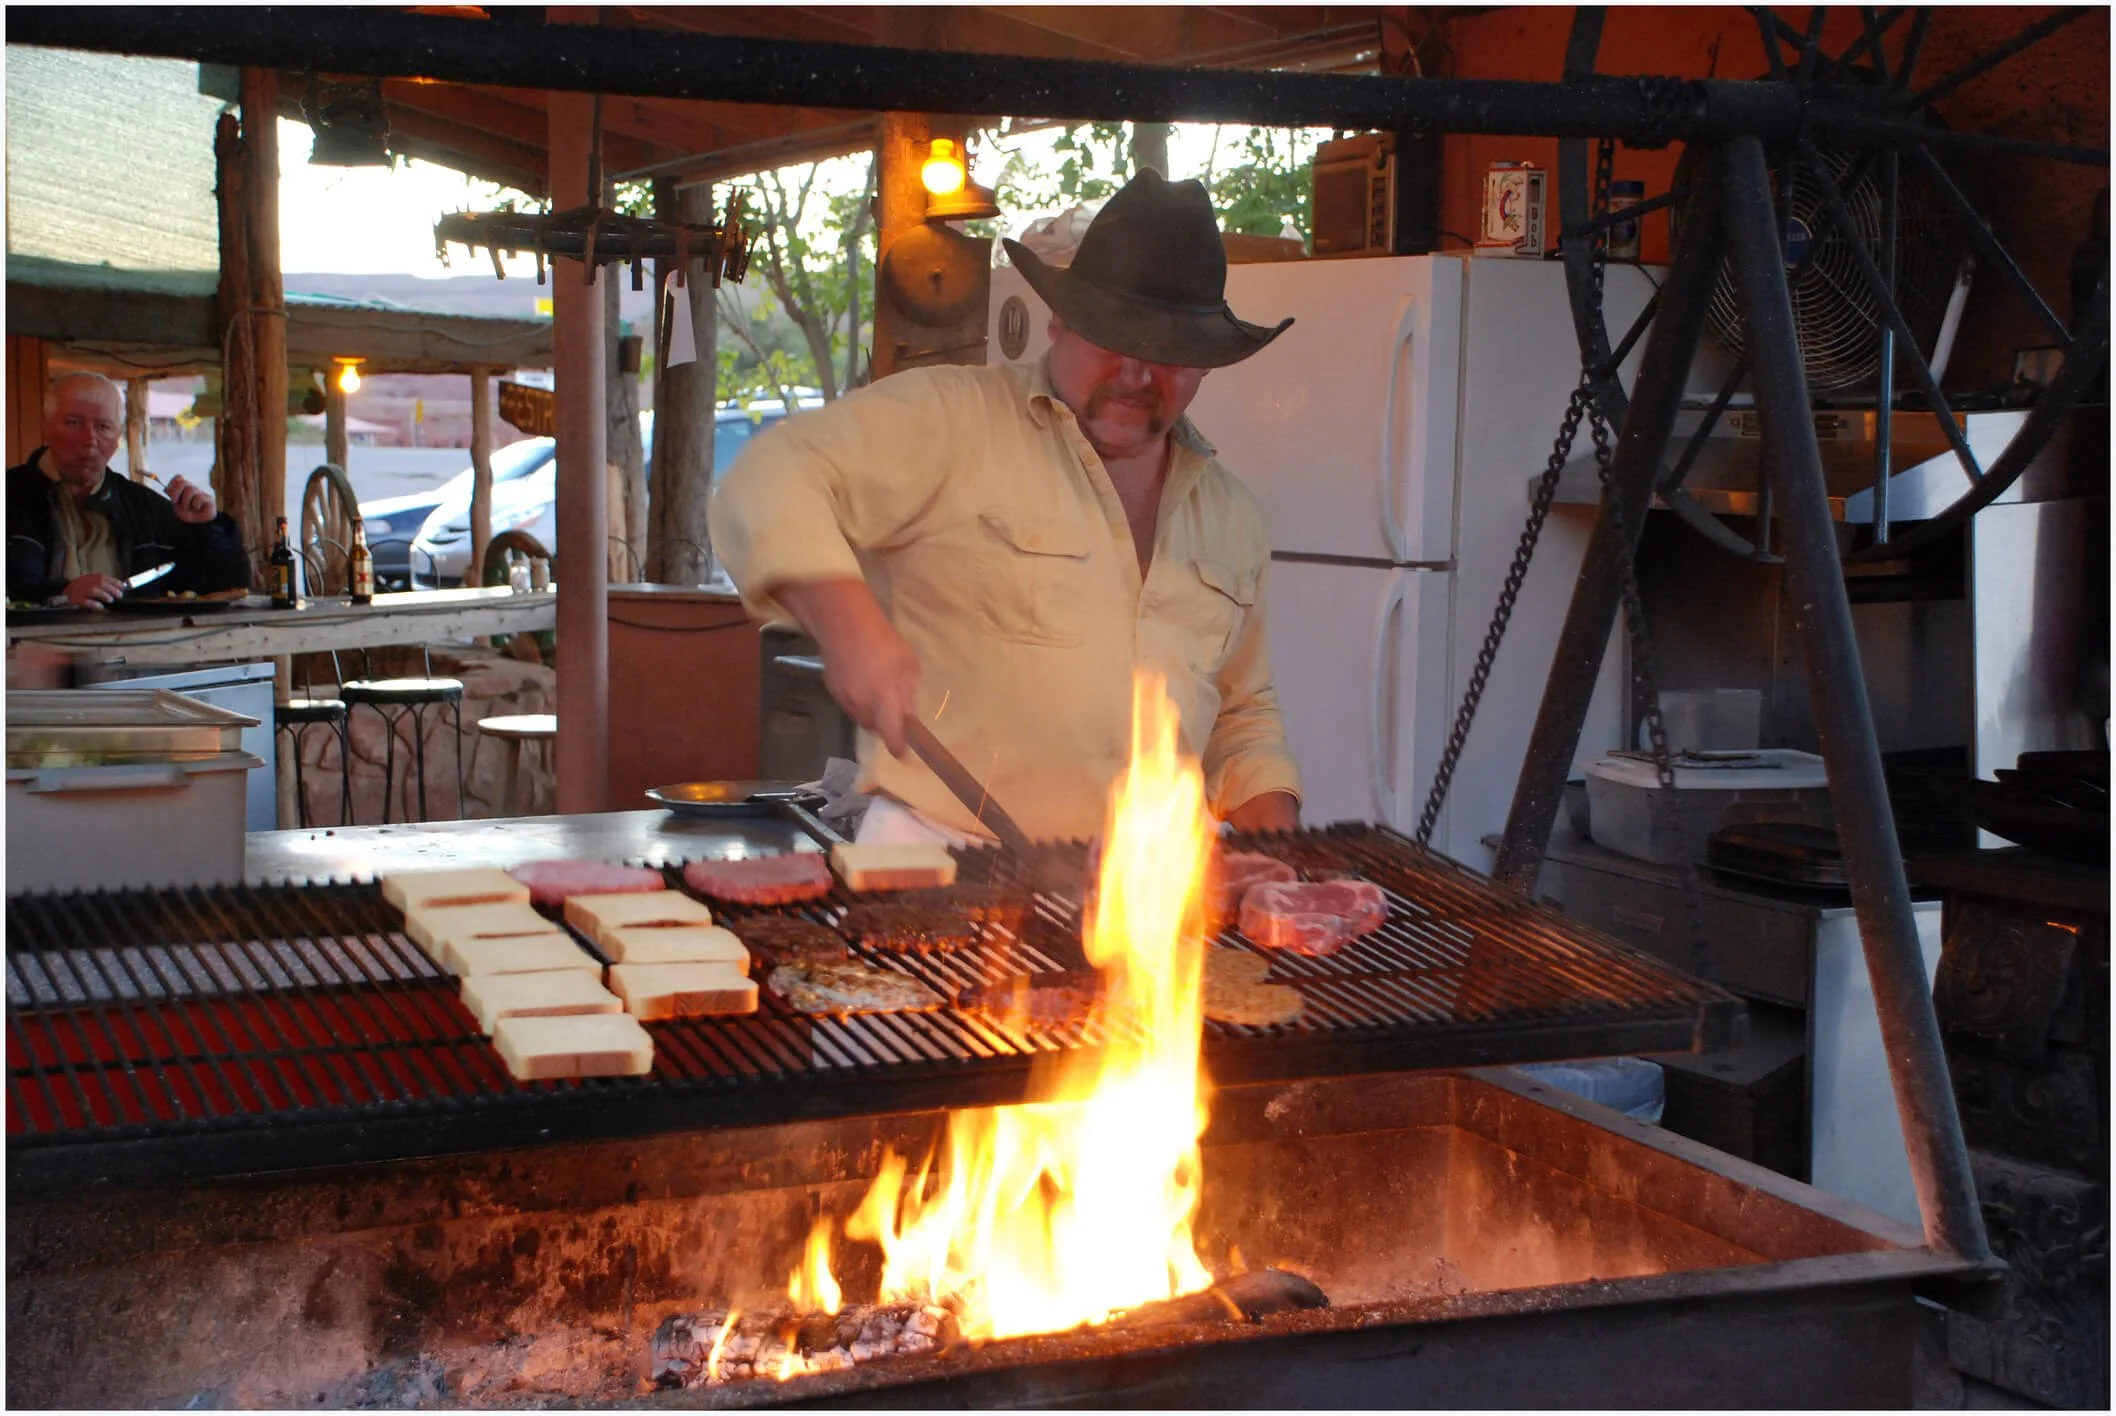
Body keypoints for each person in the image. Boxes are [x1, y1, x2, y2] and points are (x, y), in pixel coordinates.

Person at [711, 170, 1303, 845]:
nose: (1138, 376)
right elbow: (768, 474)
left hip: (1144, 892)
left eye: (1169, 355)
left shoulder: (1232, 516)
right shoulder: (952, 420)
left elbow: (1242, 712)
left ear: (1206, 364)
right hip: (942, 859)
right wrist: (846, 622)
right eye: (1114, 340)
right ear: (1059, 319)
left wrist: (1278, 853)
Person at [7, 372, 249, 608]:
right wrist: (60, 596)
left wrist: (208, 528)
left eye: (103, 427)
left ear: (118, 437)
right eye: (74, 423)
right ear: (46, 426)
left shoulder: (143, 507)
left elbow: (228, 588)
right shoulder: (11, 496)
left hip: (131, 646)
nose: (89, 438)